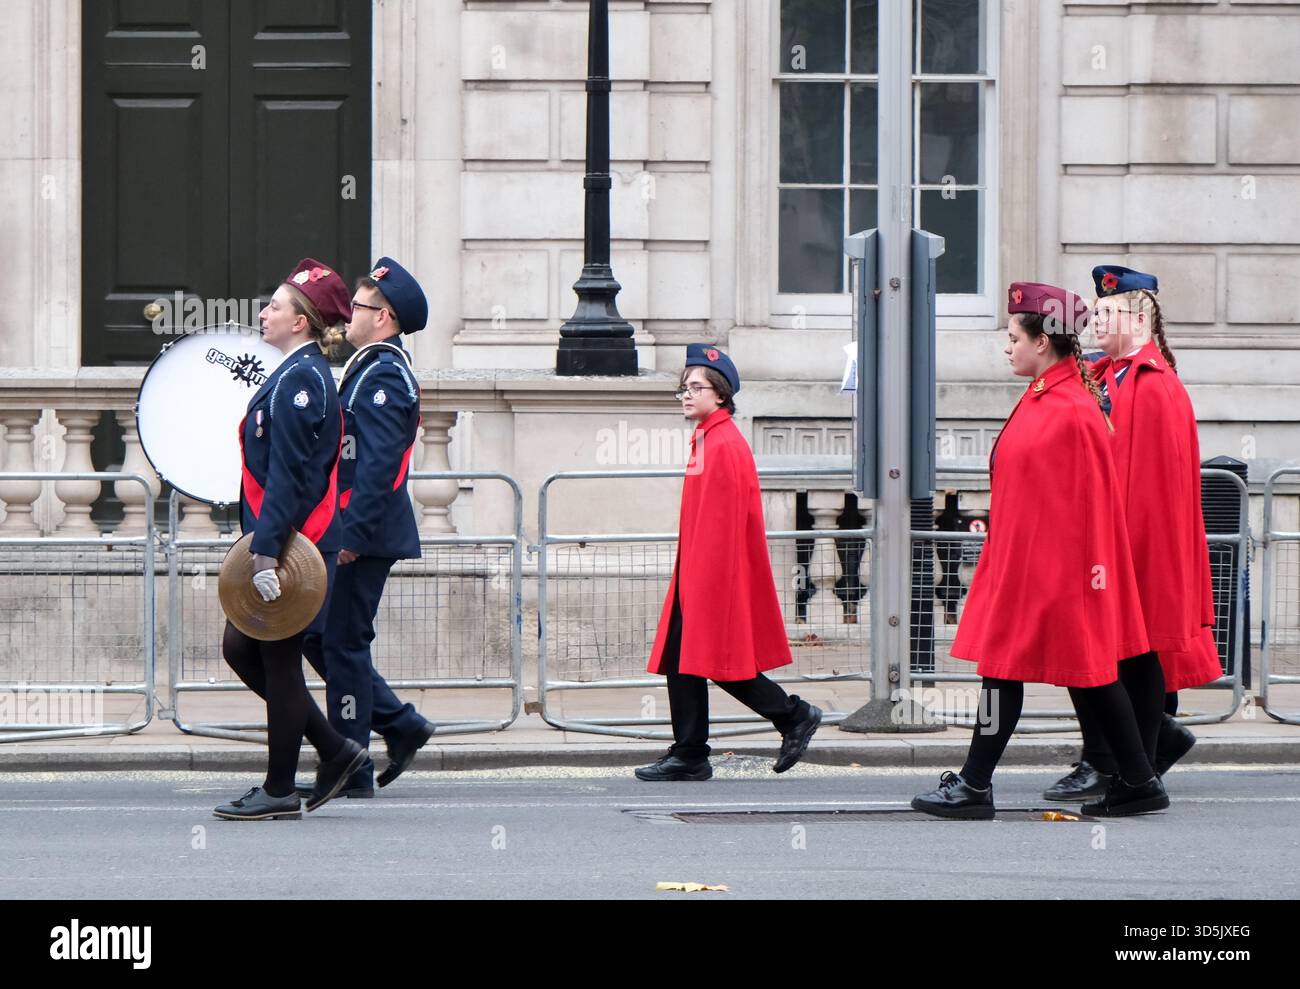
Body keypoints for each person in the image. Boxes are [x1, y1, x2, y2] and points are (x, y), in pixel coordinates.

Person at [911, 282, 1168, 819]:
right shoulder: (1048, 395)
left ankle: (980, 785)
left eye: (1013, 337)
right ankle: (1135, 779)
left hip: (1056, 574)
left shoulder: (1070, 406)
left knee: (1082, 674)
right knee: (1053, 674)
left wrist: (1070, 579)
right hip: (1031, 568)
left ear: (1042, 343)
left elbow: (1088, 507)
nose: (1008, 347)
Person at [1043, 266, 1215, 801]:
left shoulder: (1153, 385)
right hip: (1103, 540)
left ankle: (1120, 760)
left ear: (1138, 320)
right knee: (1098, 650)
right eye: (1094, 314)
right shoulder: (1107, 374)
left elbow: (1154, 493)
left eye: (1107, 315)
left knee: (1123, 654)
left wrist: (1121, 555)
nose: (1095, 323)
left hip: (1131, 546)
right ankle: (1138, 750)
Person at [214, 258, 368, 821]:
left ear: (301, 321)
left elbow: (290, 476)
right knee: (242, 649)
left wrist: (264, 551)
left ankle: (280, 788)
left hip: (291, 548)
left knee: (279, 662)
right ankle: (335, 748)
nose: (264, 312)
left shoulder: (301, 380)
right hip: (278, 540)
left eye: (275, 305)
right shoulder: (290, 374)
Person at [634, 344, 822, 782]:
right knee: (683, 661)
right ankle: (690, 753)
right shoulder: (711, 438)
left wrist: (702, 587)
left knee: (716, 661)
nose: (686, 394)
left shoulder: (721, 444)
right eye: (683, 387)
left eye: (695, 387)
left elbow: (724, 528)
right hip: (697, 574)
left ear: (719, 394)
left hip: (709, 577)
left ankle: (792, 714)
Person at [296, 257, 435, 800]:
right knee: (319, 637)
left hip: (365, 532)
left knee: (341, 643)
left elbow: (378, 465)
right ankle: (399, 724)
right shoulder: (370, 367)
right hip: (352, 527)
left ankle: (352, 760)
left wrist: (351, 536)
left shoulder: (382, 375)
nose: (348, 315)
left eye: (358, 307)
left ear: (384, 318)